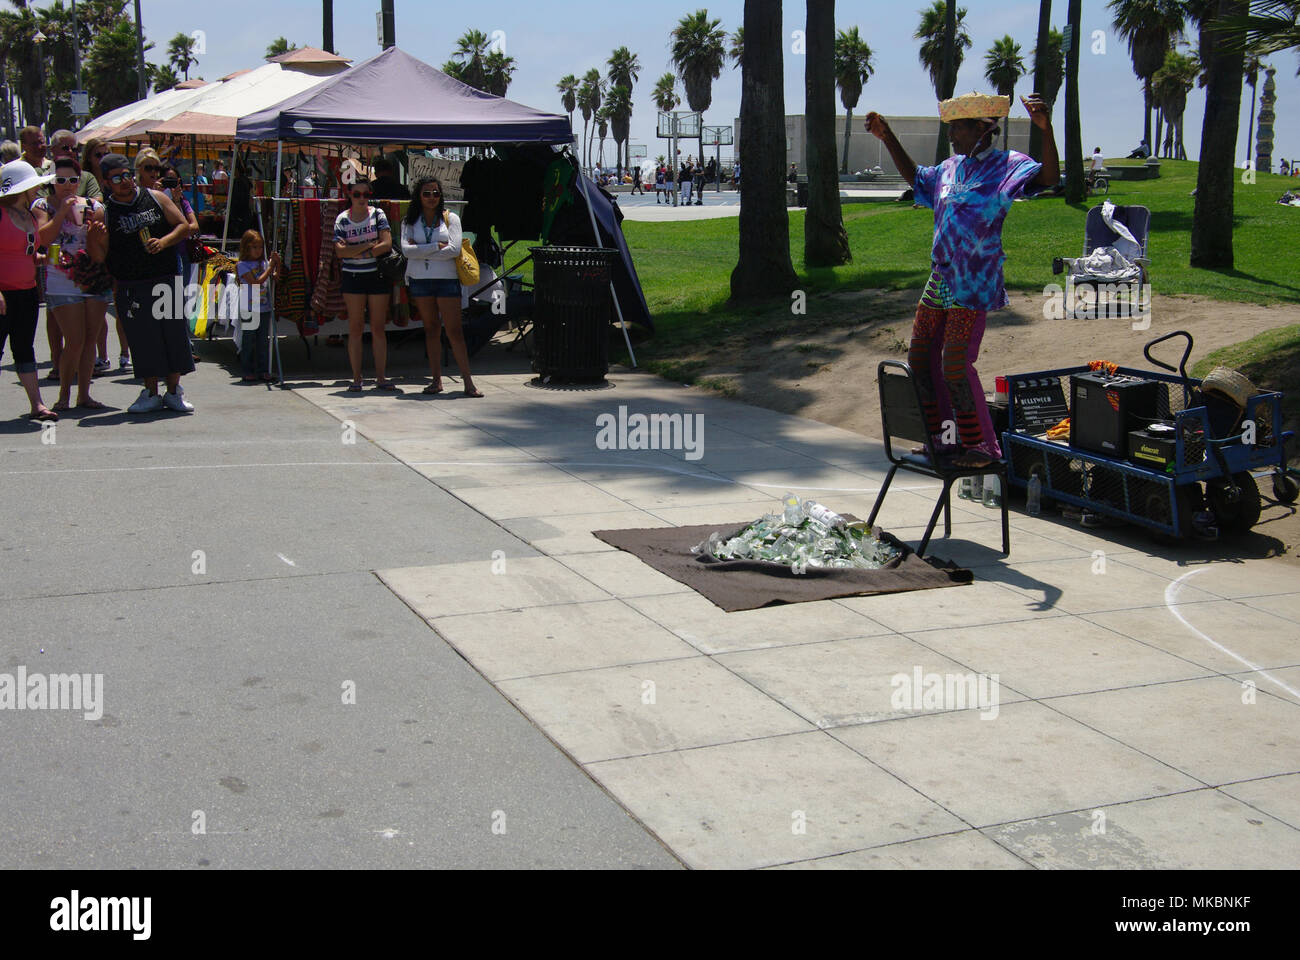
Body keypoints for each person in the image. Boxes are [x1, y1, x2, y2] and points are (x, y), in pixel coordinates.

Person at [865, 92, 1060, 468]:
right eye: (951, 128)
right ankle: (941, 439)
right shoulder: (950, 168)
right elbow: (916, 178)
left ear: (983, 129)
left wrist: (1045, 129)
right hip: (940, 276)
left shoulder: (1007, 165)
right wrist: (887, 137)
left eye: (958, 128)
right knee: (920, 359)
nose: (952, 136)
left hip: (974, 279)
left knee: (954, 362)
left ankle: (981, 447)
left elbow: (1050, 177)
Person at [86, 153, 196, 414]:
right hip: (131, 284)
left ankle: (174, 392)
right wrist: (92, 237)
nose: (125, 182)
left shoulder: (155, 198)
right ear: (106, 182)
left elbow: (183, 225)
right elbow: (99, 256)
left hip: (165, 277)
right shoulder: (105, 211)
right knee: (144, 340)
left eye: (127, 176)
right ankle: (150, 392)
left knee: (173, 335)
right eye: (117, 178)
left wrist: (164, 242)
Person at [32, 156, 109, 411]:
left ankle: (83, 395)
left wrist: (95, 235)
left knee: (90, 339)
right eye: (60, 180)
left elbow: (102, 251)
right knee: (74, 340)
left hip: (92, 279)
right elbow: (43, 238)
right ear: (52, 181)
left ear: (80, 181)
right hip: (61, 280)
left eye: (73, 180)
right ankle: (63, 395)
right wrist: (64, 210)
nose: (67, 185)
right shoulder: (43, 205)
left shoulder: (93, 206)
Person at [401, 176, 483, 398]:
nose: (432, 197)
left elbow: (454, 250)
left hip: (446, 280)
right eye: (427, 193)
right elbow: (406, 250)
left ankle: (468, 382)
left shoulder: (451, 218)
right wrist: (435, 246)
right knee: (431, 329)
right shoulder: (410, 220)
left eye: (436, 193)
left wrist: (422, 249)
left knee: (454, 331)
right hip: (420, 280)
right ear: (419, 195)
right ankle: (436, 380)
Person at [0, 159, 58, 420]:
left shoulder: (30, 216)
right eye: (32, 187)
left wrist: (40, 259)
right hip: (3, 293)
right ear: (20, 189)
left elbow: (27, 252)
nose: (36, 191)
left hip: (27, 292)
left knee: (24, 348)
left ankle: (37, 404)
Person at [333, 178, 395, 391]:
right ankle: (357, 378)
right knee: (356, 327)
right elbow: (339, 252)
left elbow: (386, 244)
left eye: (365, 194)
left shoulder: (378, 214)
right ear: (349, 195)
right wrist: (369, 246)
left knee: (378, 327)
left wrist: (356, 249)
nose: (361, 198)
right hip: (353, 276)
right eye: (356, 194)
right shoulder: (342, 219)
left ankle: (380, 377)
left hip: (376, 274)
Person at [235, 229, 280, 382]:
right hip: (249, 308)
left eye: (260, 247)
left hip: (264, 307)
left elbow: (274, 278)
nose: (258, 250)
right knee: (248, 340)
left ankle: (263, 369)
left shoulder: (264, 263)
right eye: (254, 247)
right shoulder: (242, 265)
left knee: (263, 340)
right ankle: (247, 369)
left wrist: (276, 264)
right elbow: (256, 282)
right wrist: (270, 266)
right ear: (246, 248)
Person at [49, 130, 101, 200]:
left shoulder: (87, 177)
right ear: (53, 149)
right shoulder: (42, 176)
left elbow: (97, 200)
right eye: (65, 148)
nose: (70, 151)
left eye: (74, 149)